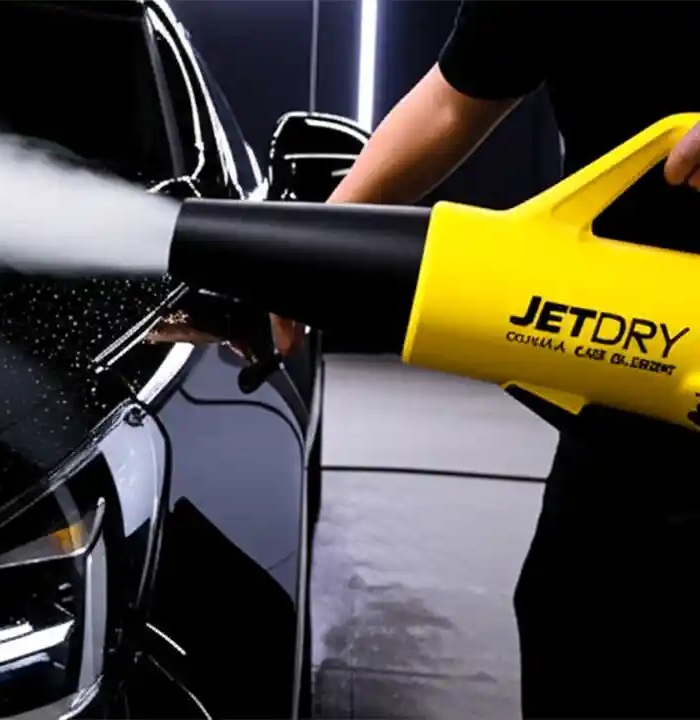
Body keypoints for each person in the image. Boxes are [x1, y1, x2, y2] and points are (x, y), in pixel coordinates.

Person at [156, 2, 700, 717]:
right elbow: (454, 101)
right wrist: (298, 259)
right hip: (637, 375)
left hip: (661, 349)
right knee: (585, 632)